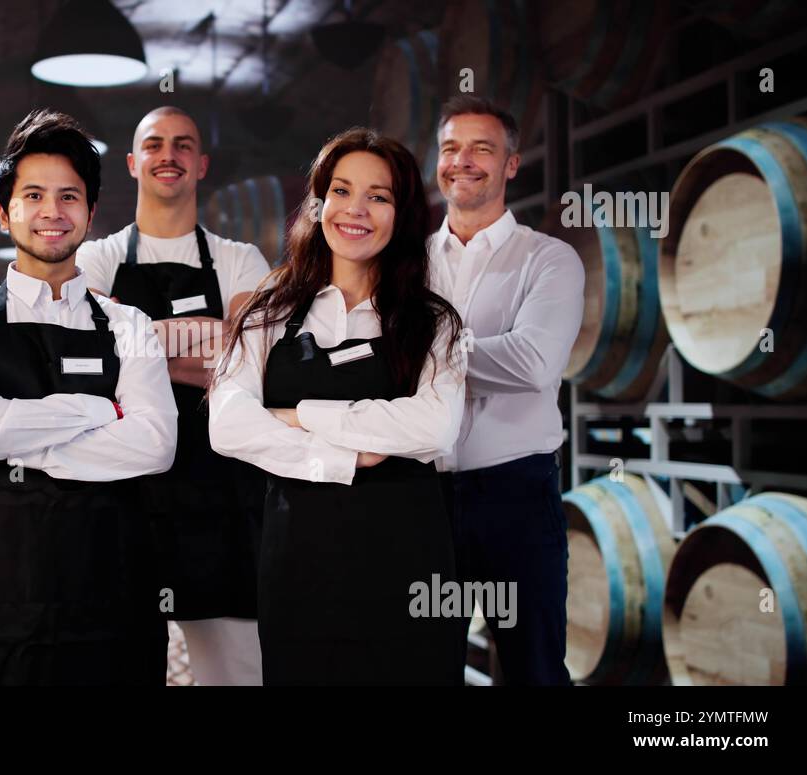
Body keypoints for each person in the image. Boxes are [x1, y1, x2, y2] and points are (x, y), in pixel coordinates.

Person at [209, 127, 467, 685]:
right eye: (341, 191)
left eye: (379, 196)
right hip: (300, 557)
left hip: (407, 558)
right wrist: (348, 458)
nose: (356, 210)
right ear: (318, 202)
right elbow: (227, 424)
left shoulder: (435, 322)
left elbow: (435, 424)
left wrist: (299, 414)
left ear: (402, 215)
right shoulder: (268, 311)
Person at [0, 109, 177, 685]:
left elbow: (156, 445)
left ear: (90, 213)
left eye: (69, 197)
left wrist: (18, 445)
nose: (52, 211)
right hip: (0, 590)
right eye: (33, 194)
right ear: (3, 212)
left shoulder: (128, 323)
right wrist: (96, 411)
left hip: (112, 580)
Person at [75, 106, 269, 685]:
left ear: (201, 164)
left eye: (183, 145)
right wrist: (201, 346)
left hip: (223, 496)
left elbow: (248, 364)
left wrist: (139, 344)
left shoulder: (240, 259)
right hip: (126, 496)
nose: (169, 154)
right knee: (121, 663)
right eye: (154, 144)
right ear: (133, 163)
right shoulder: (97, 258)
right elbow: (88, 365)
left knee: (236, 671)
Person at [428, 96, 585, 686]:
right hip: (423, 499)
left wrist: (421, 354)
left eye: (481, 149)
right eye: (450, 148)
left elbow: (534, 363)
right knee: (424, 666)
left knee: (534, 671)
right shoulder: (407, 265)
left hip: (515, 495)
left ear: (511, 165)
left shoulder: (549, 260)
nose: (462, 161)